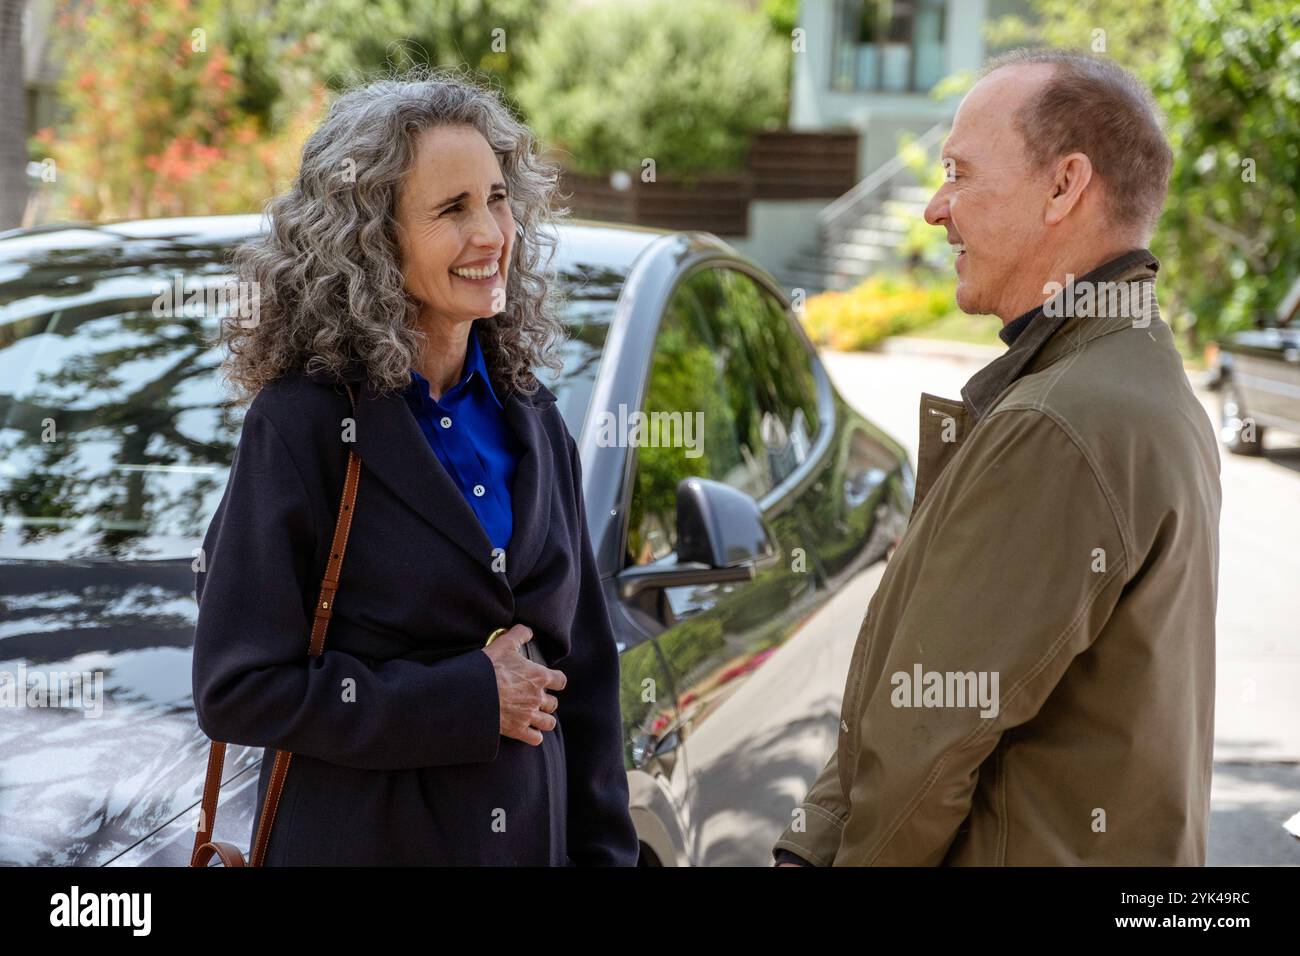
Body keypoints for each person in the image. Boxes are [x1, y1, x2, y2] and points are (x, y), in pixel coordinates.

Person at [774, 49, 1221, 866]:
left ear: (1064, 186)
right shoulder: (1134, 375)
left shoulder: (1062, 420)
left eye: (959, 172)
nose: (934, 209)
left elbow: (923, 745)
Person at [191, 70, 638, 866]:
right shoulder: (302, 425)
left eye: (498, 198)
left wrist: (606, 855)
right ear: (371, 241)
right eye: (451, 210)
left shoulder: (533, 416)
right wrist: (468, 697)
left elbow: (587, 680)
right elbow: (238, 688)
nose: (492, 234)